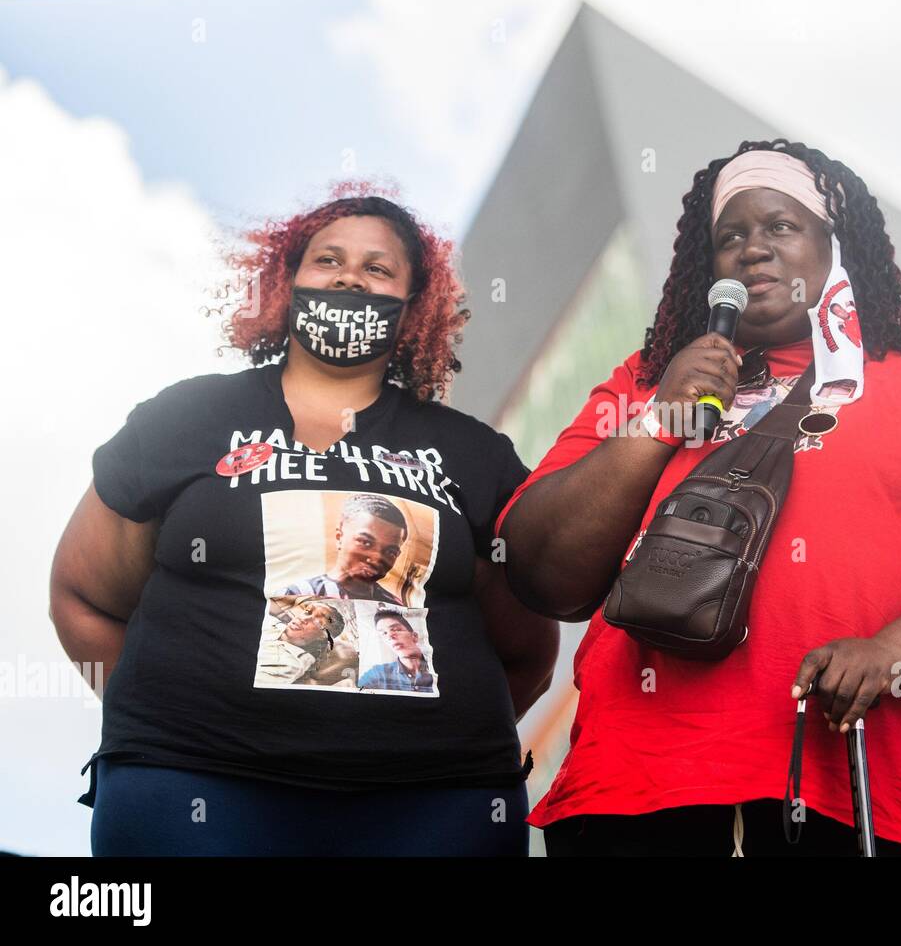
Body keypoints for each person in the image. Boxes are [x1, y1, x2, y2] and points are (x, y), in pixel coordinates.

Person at [497, 139, 901, 856]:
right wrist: (659, 421)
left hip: (866, 799)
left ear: (835, 247)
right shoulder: (644, 383)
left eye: (780, 227)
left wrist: (893, 652)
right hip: (639, 791)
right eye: (729, 237)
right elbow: (539, 568)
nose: (752, 250)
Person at [50, 189, 559, 856]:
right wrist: (168, 721)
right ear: (286, 280)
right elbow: (82, 597)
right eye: (328, 260)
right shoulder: (185, 418)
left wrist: (422, 743)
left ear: (413, 307)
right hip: (191, 793)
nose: (350, 276)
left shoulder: (475, 453)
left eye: (379, 268)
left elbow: (526, 653)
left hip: (432, 805)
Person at [282, 493, 408, 603]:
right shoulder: (298, 593)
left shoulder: (395, 606)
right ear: (339, 537)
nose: (377, 557)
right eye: (365, 542)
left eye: (391, 552)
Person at [358, 610, 437, 693]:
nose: (390, 635)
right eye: (384, 633)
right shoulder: (377, 674)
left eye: (396, 629)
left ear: (414, 636)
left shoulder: (436, 665)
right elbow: (357, 689)